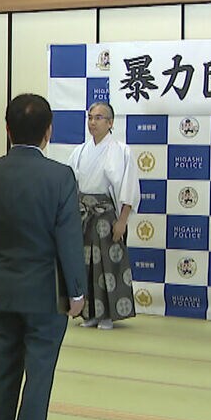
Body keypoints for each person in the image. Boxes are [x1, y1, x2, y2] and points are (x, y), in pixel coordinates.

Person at [0, 93, 86, 420]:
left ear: (7, 129)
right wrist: (76, 291)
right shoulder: (60, 176)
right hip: (43, 291)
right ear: (48, 132)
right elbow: (68, 239)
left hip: (1, 286)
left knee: (1, 365)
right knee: (39, 372)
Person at [66, 101, 139, 330]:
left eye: (98, 118)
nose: (93, 122)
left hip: (107, 216)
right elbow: (71, 185)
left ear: (110, 123)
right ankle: (89, 313)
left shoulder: (122, 151)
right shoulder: (79, 151)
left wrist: (122, 221)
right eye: (90, 117)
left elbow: (129, 188)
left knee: (107, 265)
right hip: (83, 215)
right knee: (85, 264)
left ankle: (107, 314)